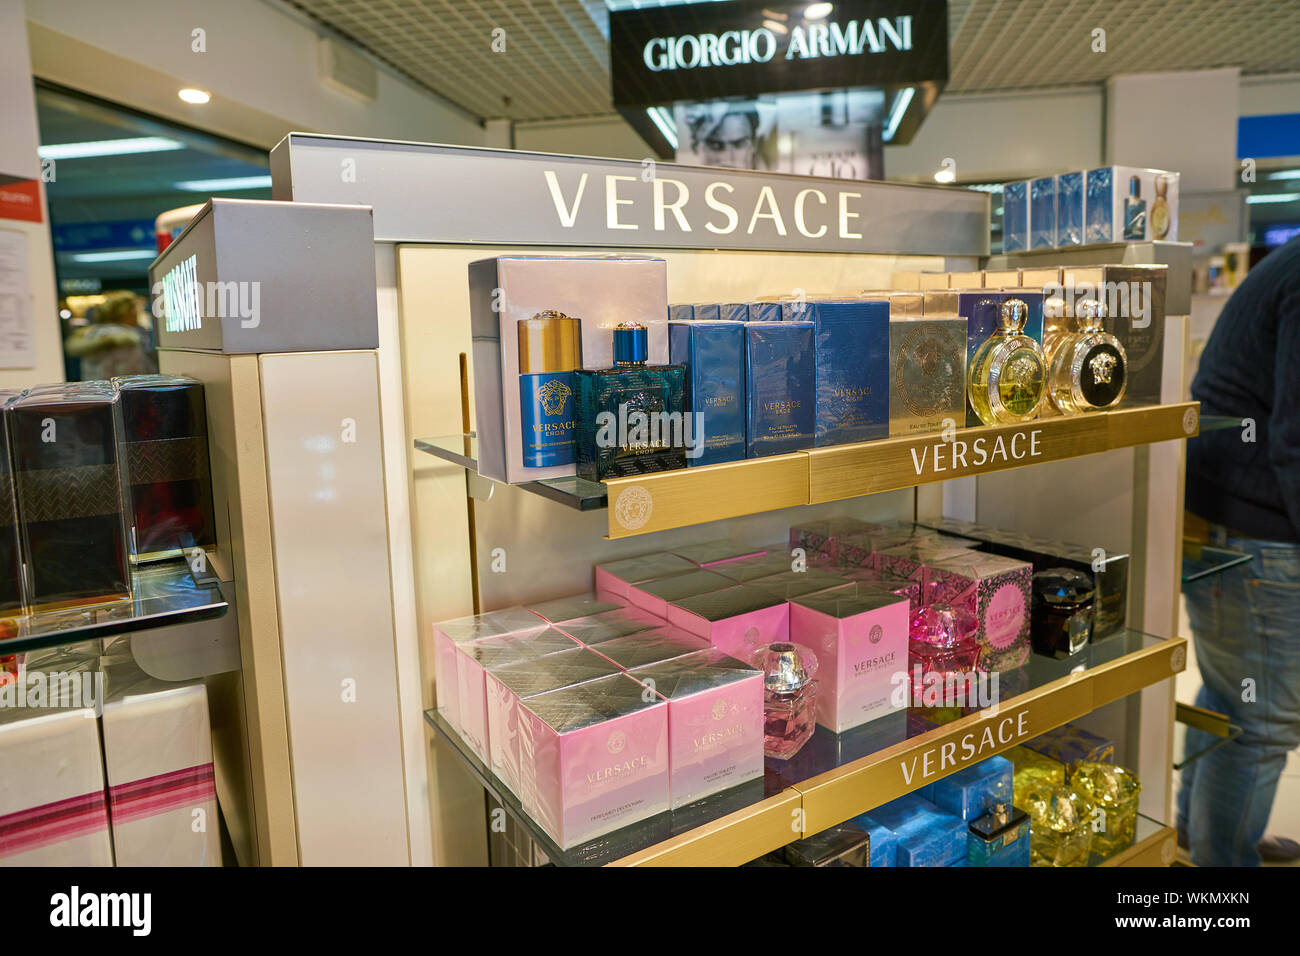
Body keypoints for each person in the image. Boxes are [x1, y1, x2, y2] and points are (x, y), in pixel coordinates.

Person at [1181, 234, 1300, 866]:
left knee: (1233, 699)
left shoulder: (1288, 264)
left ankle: (1203, 836)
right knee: (1260, 725)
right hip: (1257, 537)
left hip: (1228, 524)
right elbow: (1295, 439)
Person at [63, 291, 155, 380]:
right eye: (134, 308)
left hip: (97, 393)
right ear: (124, 312)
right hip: (122, 394)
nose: (137, 313)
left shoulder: (93, 334)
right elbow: (134, 378)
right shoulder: (125, 338)